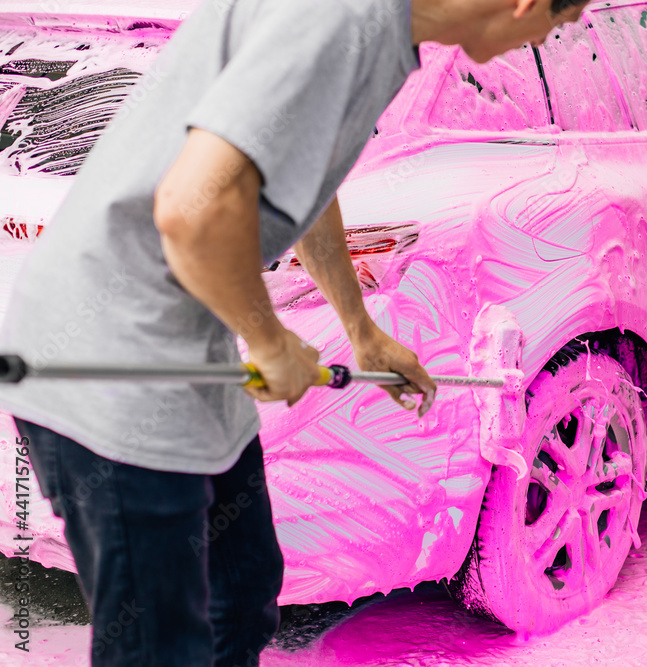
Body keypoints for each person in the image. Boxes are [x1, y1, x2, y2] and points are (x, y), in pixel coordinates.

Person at [0, 0, 589, 664]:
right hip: (112, 358)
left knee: (242, 594)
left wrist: (359, 328)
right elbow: (192, 212)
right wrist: (272, 339)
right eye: (561, 21)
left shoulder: (379, 36)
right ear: (527, 5)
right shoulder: (336, 20)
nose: (552, 36)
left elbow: (300, 180)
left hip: (187, 348)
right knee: (160, 642)